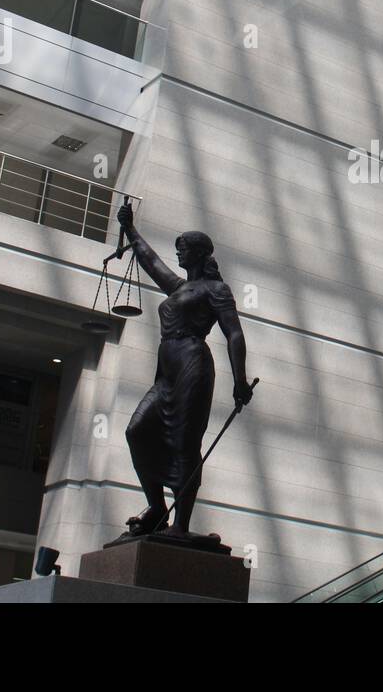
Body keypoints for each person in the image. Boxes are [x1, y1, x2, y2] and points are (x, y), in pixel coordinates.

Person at [115, 199, 254, 538]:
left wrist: (240, 379)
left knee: (184, 442)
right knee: (137, 431)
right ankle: (158, 508)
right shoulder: (179, 287)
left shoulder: (217, 290)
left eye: (183, 249)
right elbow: (150, 261)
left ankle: (181, 526)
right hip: (167, 368)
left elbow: (234, 333)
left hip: (194, 363)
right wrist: (130, 228)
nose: (177, 254)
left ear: (200, 253)